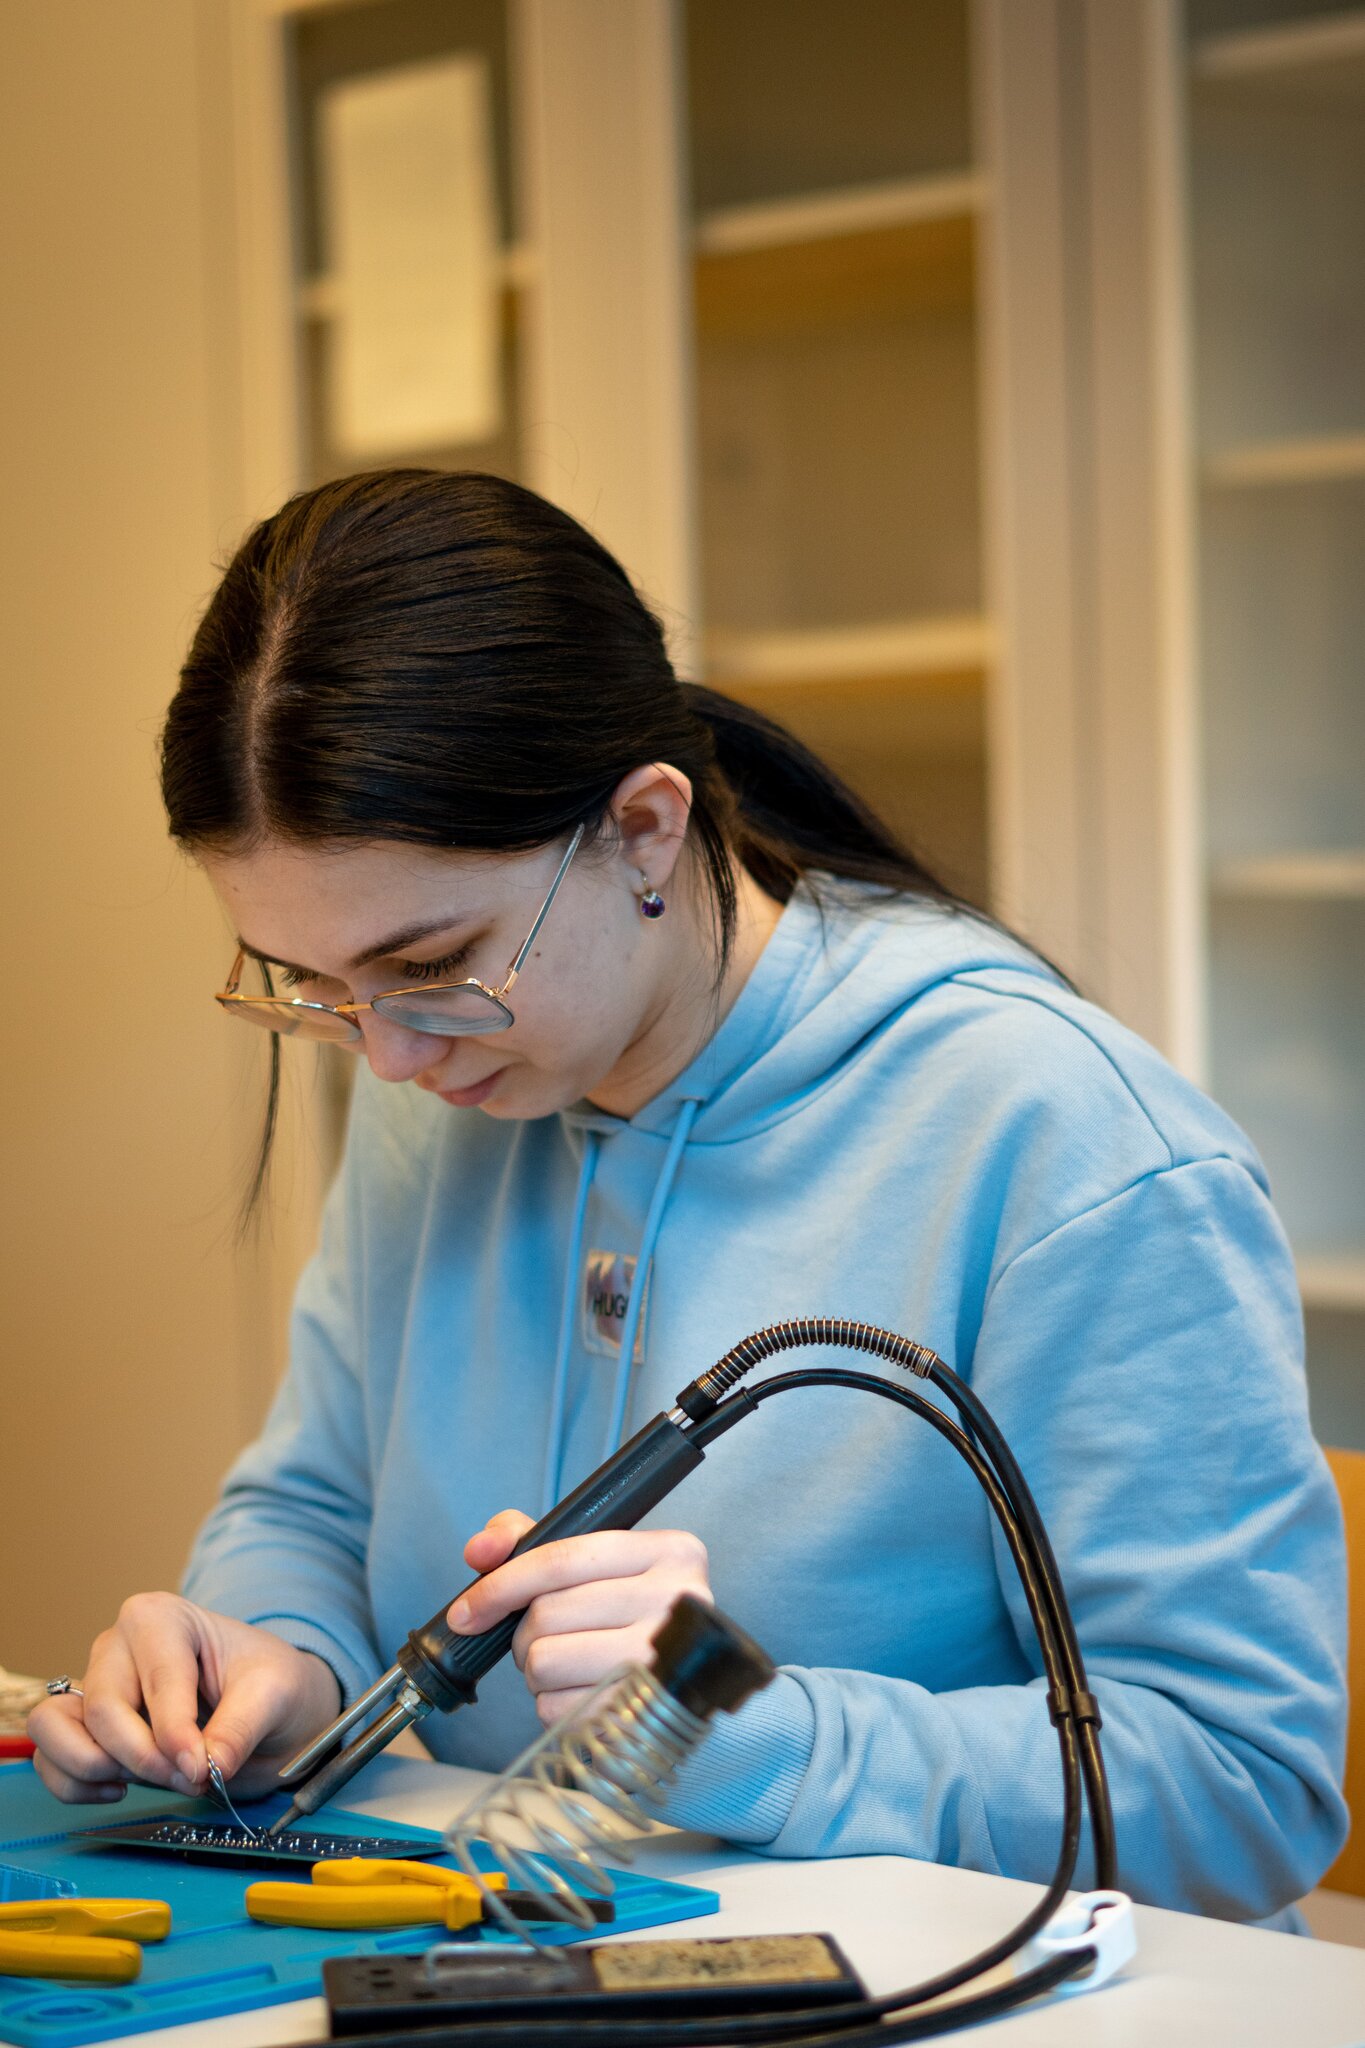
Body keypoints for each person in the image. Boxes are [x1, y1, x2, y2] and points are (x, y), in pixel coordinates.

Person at [29, 469, 1346, 1926]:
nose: (387, 1056)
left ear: (646, 829)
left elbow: (1244, 1788)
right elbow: (317, 1498)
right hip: (512, 1957)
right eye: (315, 985)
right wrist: (274, 1658)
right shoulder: (455, 1075)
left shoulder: (1065, 1145)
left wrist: (756, 1732)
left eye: (432, 964)